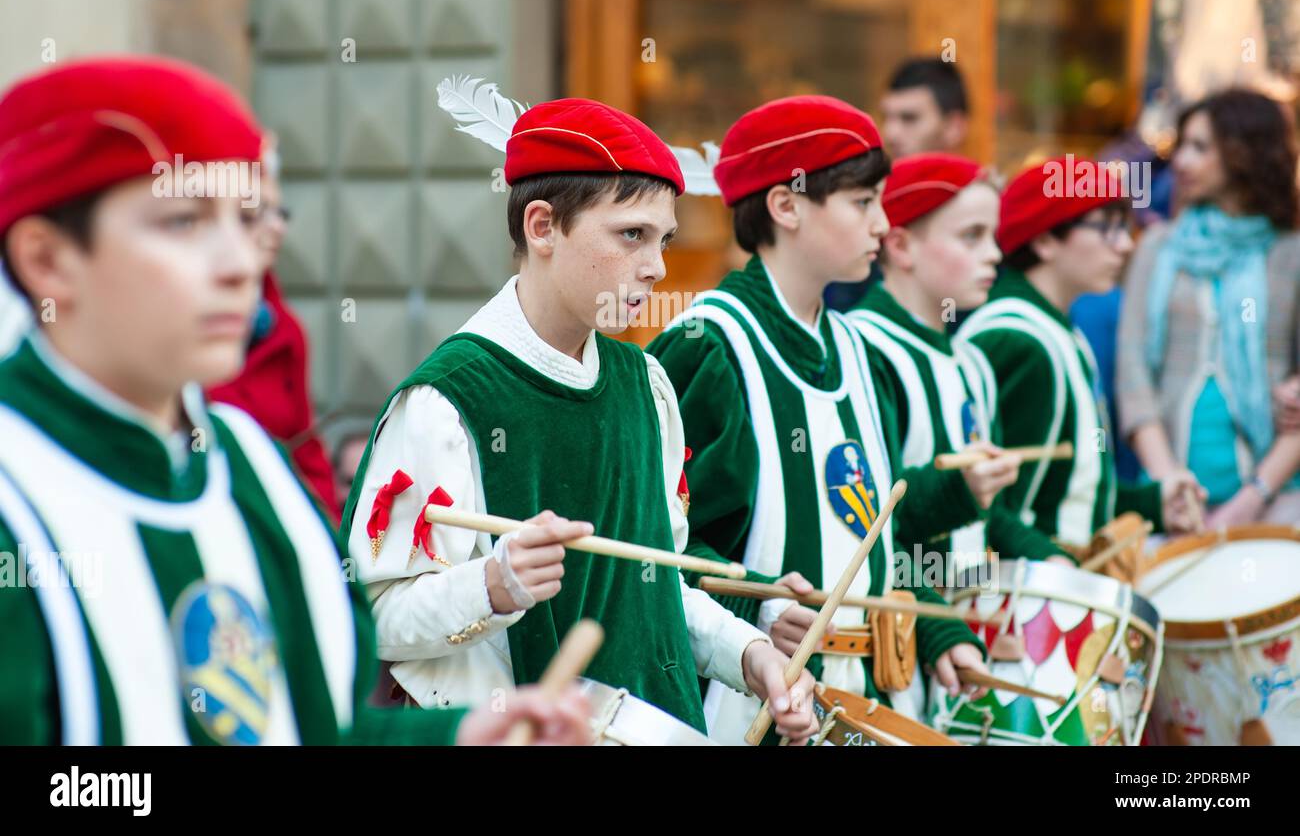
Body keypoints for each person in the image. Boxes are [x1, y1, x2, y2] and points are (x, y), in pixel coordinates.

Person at [0, 56, 588, 745]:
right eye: (183, 221)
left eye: (250, 219)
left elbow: (314, 732)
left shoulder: (248, 463)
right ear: (47, 260)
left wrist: (460, 738)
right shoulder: (18, 495)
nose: (240, 263)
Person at [342, 91, 820, 743]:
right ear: (542, 226)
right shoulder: (446, 403)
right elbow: (377, 616)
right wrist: (491, 585)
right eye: (631, 235)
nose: (655, 268)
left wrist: (749, 653)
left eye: (663, 240)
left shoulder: (645, 386)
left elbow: (655, 590)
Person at [648, 96, 990, 743]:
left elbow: (872, 533)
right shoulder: (709, 348)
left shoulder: (862, 353)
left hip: (880, 699)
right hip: (753, 704)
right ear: (786, 205)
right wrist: (757, 597)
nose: (883, 223)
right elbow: (656, 552)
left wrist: (936, 625)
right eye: (863, 202)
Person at [956, 157, 1205, 552]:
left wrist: (1154, 503)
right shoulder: (1018, 339)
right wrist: (1056, 564)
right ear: (1044, 240)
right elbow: (987, 505)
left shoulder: (1058, 329)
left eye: (1125, 228)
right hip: (1024, 594)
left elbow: (1067, 492)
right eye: (1107, 228)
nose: (1125, 245)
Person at [846, 153, 1073, 569]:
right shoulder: (861, 348)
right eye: (972, 236)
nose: (994, 255)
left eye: (994, 236)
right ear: (899, 246)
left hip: (968, 614)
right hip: (902, 623)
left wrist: (1053, 564)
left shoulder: (974, 364)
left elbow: (989, 516)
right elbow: (863, 520)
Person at [1118, 89, 1300, 527]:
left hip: (1274, 502)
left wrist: (1252, 499)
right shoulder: (1158, 248)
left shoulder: (1290, 253)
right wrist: (1170, 488)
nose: (1180, 161)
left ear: (1246, 154)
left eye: (1200, 147)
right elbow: (1133, 376)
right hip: (1171, 502)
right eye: (1183, 145)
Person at [207, 146, 339, 523]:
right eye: (254, 213)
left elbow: (307, 449)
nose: (277, 226)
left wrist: (324, 533)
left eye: (279, 213)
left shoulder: (285, 330)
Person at [880, 57, 970, 159]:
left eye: (909, 118)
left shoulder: (985, 175)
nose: (890, 134)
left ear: (953, 127)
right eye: (885, 118)